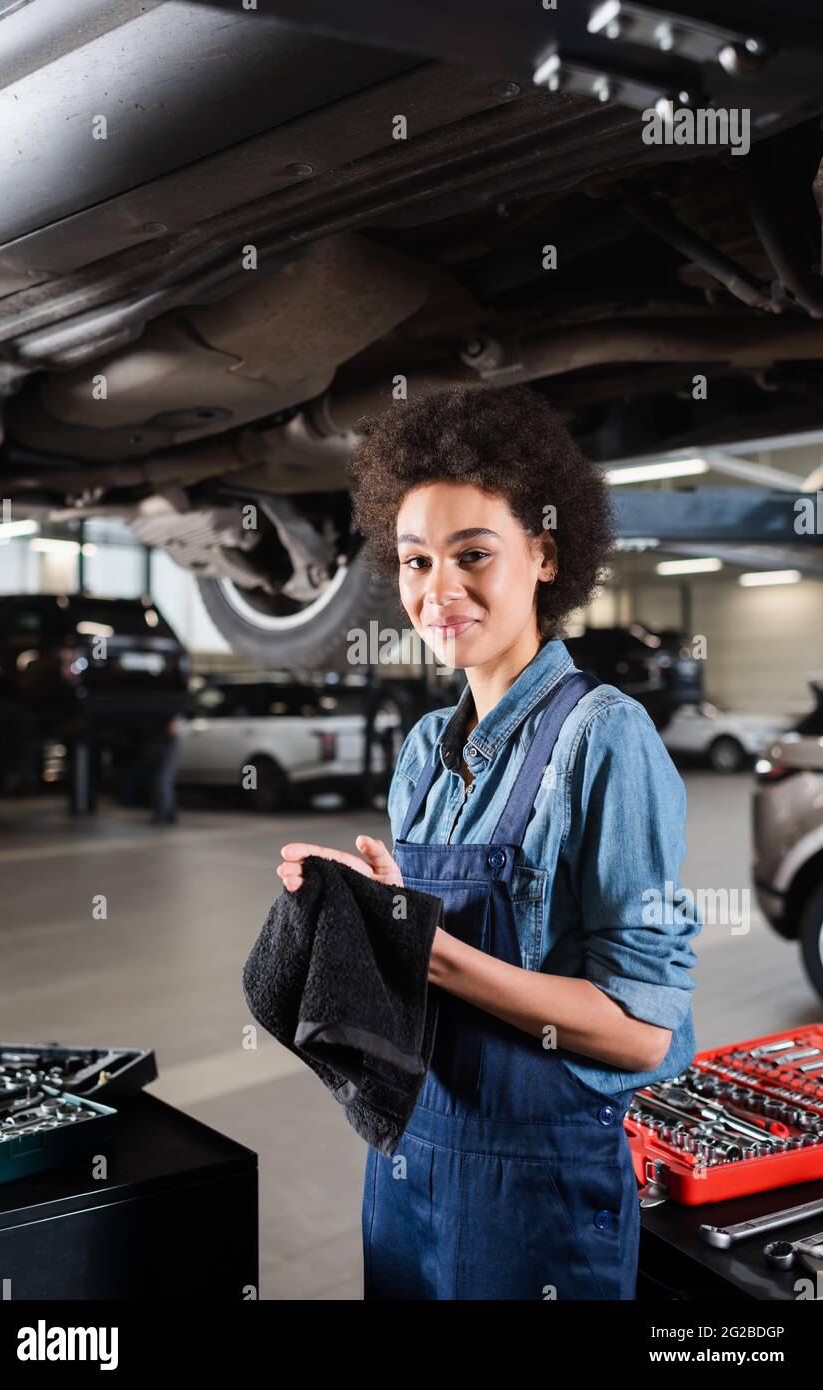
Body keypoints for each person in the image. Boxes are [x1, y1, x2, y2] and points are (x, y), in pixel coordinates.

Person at [275, 383, 701, 1301]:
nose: (439, 591)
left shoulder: (602, 737)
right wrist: (370, 908)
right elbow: (415, 984)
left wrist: (424, 951)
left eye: (473, 555)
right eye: (415, 561)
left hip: (532, 1194)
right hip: (405, 1167)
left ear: (545, 553)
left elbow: (640, 1036)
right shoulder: (427, 749)